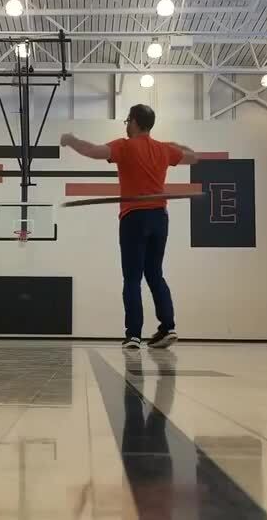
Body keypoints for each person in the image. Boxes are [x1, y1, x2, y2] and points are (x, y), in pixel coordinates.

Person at [60, 104, 200, 350]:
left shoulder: (124, 146)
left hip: (134, 217)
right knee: (155, 274)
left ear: (134, 122)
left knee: (132, 277)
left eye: (127, 121)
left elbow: (93, 151)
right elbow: (193, 156)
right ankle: (168, 327)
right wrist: (176, 145)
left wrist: (72, 140)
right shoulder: (164, 149)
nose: (125, 125)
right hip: (159, 217)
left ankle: (134, 334)